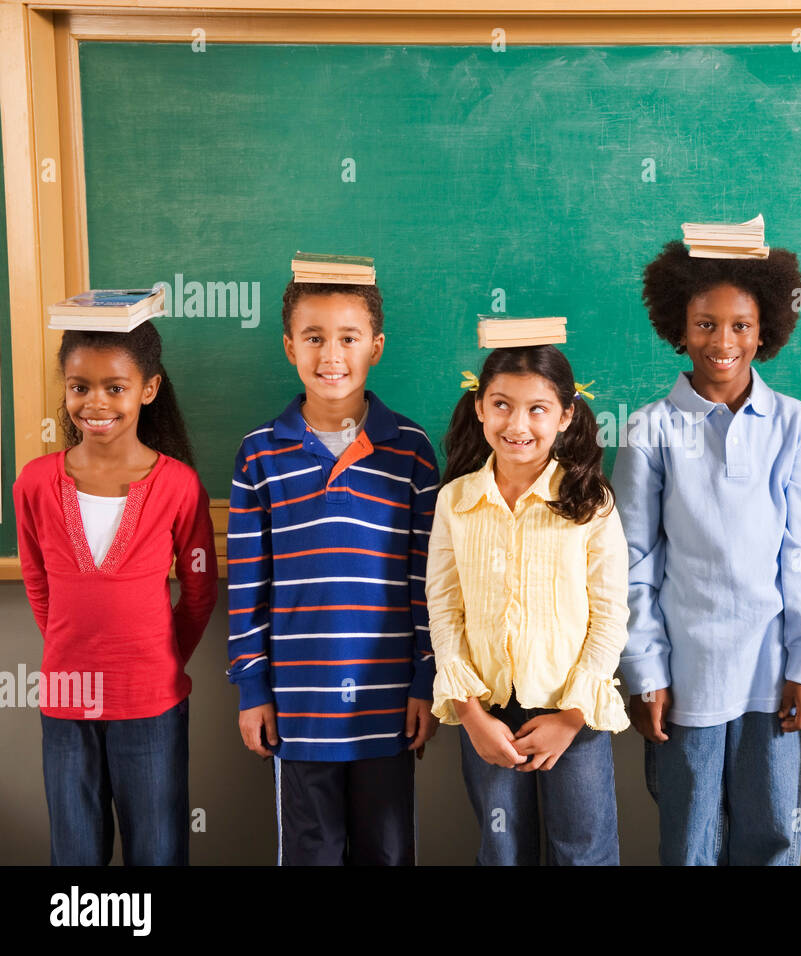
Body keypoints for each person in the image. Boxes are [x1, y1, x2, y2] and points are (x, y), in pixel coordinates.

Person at [614, 240, 801, 865]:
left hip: (772, 675)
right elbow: (633, 561)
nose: (723, 340)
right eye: (705, 324)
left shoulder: (795, 425)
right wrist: (646, 670)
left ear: (765, 328)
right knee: (690, 843)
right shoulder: (650, 429)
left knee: (771, 838)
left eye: (740, 325)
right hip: (686, 681)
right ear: (679, 330)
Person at [226, 279, 438, 865]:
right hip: (298, 705)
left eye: (349, 337)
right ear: (289, 346)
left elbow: (429, 582)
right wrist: (251, 687)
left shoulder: (411, 450)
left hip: (388, 700)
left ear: (377, 346)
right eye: (314, 337)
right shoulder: (259, 453)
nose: (331, 355)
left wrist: (426, 681)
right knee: (310, 852)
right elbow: (247, 584)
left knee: (388, 851)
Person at [15, 320, 218, 865]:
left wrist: (160, 657)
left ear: (148, 390)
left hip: (151, 699)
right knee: (75, 855)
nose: (95, 402)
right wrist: (74, 647)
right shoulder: (34, 482)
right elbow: (37, 581)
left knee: (157, 850)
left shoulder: (178, 485)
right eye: (80, 387)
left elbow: (199, 591)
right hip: (66, 697)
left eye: (115, 387)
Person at [427, 345, 628, 865]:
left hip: (570, 712)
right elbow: (445, 611)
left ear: (565, 415)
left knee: (583, 851)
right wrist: (470, 716)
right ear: (479, 408)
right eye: (502, 405)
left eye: (537, 408)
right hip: (486, 707)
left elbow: (610, 616)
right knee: (502, 849)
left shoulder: (591, 503)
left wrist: (572, 715)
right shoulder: (456, 502)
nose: (518, 424)